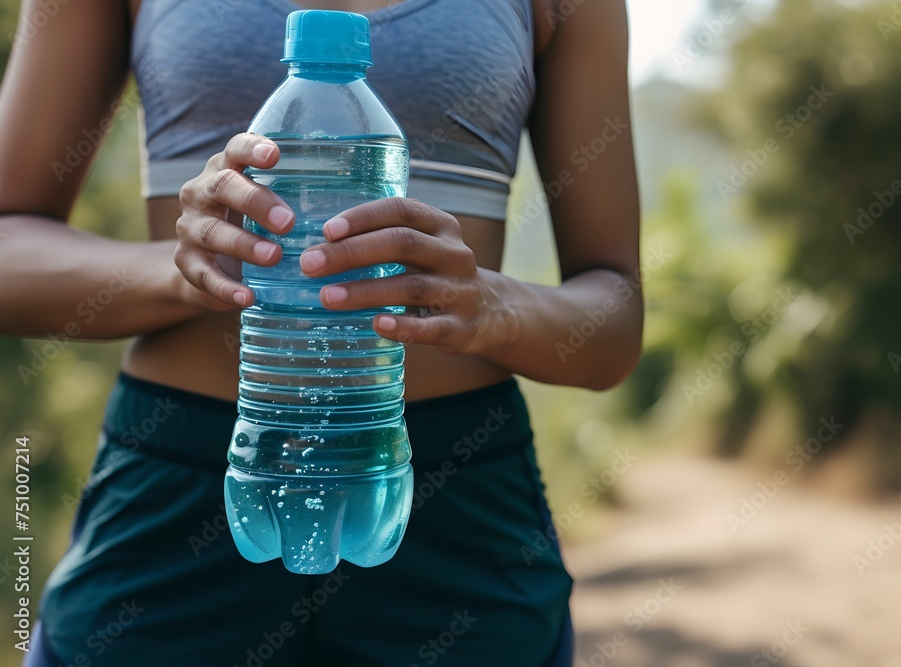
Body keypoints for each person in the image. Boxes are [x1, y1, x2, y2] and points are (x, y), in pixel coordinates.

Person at [0, 0, 641, 664]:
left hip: (453, 493)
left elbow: (615, 319)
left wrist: (494, 306)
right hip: (181, 483)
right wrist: (184, 268)